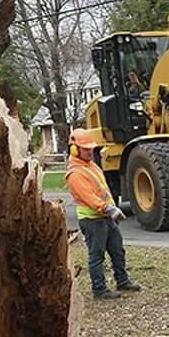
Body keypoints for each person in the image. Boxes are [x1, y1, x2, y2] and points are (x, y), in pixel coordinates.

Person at [65, 127, 141, 300]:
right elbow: (90, 198)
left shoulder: (91, 166)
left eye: (91, 147)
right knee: (96, 256)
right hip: (92, 220)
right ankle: (99, 290)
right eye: (86, 148)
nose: (90, 151)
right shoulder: (75, 174)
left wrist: (111, 209)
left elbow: (103, 190)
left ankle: (123, 281)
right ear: (74, 149)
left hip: (105, 218)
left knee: (117, 250)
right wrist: (109, 209)